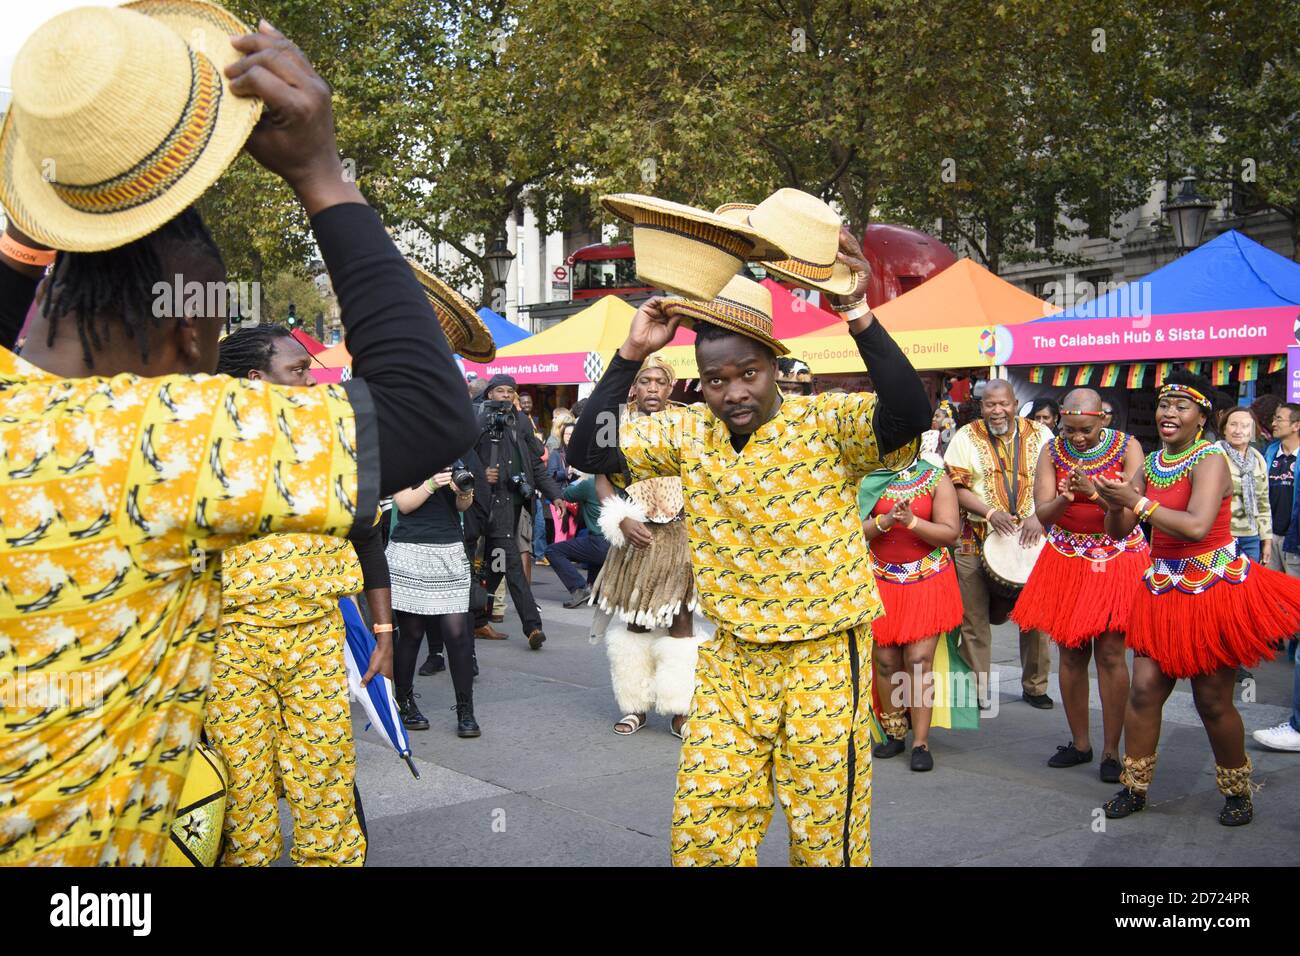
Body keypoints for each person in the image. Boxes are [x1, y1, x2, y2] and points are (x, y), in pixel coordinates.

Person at [0, 11, 475, 865]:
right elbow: (428, 410)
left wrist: (52, 213)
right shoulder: (161, 440)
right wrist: (322, 174)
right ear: (190, 338)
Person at [568, 225, 931, 867]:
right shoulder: (687, 433)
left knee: (826, 838)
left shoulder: (826, 421)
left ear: (773, 368)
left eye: (748, 373)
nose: (734, 392)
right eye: (715, 379)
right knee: (703, 829)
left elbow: (907, 412)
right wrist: (629, 354)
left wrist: (857, 312)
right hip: (732, 655)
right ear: (698, 384)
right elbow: (590, 449)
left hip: (823, 654)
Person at [206, 325, 394, 866]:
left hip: (316, 637)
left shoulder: (334, 450)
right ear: (254, 380)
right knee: (245, 794)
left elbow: (367, 540)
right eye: (298, 371)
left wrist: (384, 633)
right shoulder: (206, 454)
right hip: (234, 647)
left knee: (325, 779)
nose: (312, 382)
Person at [1095, 371, 1300, 825]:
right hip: (1162, 589)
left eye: (1180, 406)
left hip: (1211, 590)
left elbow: (1195, 526)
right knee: (1145, 691)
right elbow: (1120, 532)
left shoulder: (1211, 460)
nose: (1169, 413)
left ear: (1202, 416)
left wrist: (1137, 501)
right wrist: (1113, 503)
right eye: (1164, 404)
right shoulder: (1150, 464)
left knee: (1211, 701)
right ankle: (1135, 787)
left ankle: (1236, 791)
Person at [1011, 389, 1149, 783]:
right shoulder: (1052, 451)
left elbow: (1135, 509)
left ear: (1103, 419)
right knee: (1071, 655)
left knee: (1110, 654)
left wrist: (1098, 494)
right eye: (1069, 429)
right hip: (1067, 558)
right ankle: (1080, 743)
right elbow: (1043, 512)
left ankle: (1111, 751)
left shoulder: (1128, 446)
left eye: (1085, 429)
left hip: (1116, 557)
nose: (1077, 437)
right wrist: (1066, 498)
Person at [590, 355, 701, 738]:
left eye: (660, 382)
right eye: (645, 381)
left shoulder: (691, 419)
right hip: (635, 529)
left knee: (681, 616)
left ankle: (679, 708)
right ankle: (634, 705)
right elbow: (601, 475)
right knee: (636, 616)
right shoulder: (614, 420)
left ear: (670, 387)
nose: (652, 388)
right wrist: (621, 518)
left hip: (681, 531)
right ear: (634, 385)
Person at [943, 380, 1055, 709]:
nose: (997, 410)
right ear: (982, 406)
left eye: (1003, 403)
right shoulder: (965, 436)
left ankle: (1035, 686)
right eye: (990, 404)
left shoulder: (1041, 435)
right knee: (973, 621)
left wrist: (1041, 517)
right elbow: (954, 486)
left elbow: (1057, 480)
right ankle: (977, 690)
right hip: (973, 538)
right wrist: (990, 512)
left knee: (1035, 619)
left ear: (1015, 402)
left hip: (1030, 539)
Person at [859, 459, 962, 771]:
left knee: (918, 662)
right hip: (880, 580)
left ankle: (920, 742)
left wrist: (912, 522)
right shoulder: (868, 478)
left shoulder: (935, 477)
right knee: (887, 662)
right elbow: (848, 532)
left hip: (927, 580)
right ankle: (893, 733)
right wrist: (885, 521)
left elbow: (950, 533)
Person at [468, 374, 564, 649]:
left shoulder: (521, 422)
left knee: (495, 564)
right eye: (500, 391)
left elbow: (535, 464)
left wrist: (555, 494)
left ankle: (476, 621)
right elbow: (462, 456)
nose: (507, 395)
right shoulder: (477, 420)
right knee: (511, 562)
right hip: (483, 503)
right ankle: (532, 626)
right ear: (489, 394)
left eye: (511, 391)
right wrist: (479, 474)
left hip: (514, 504)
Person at [388, 462, 483, 738]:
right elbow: (404, 504)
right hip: (410, 550)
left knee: (458, 633)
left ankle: (466, 711)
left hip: (450, 550)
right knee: (412, 632)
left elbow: (463, 506)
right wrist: (432, 483)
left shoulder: (456, 453)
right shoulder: (405, 452)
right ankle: (405, 703)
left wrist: (463, 491)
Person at [545, 471, 609, 608]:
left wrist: (580, 480)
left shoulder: (590, 484)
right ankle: (595, 592)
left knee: (552, 551)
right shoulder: (620, 486)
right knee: (593, 556)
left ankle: (579, 588)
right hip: (617, 541)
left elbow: (567, 494)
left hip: (599, 541)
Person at [1218, 407, 1272, 563]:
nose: (1238, 430)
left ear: (1253, 431)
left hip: (1251, 537)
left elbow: (1263, 502)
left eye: (1245, 425)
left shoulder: (1258, 460)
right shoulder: (1214, 455)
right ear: (1224, 429)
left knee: (1249, 583)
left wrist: (1266, 540)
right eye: (1233, 424)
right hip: (1221, 534)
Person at [920, 399, 957, 467]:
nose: (933, 419)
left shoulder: (952, 439)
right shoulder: (932, 436)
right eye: (933, 416)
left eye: (937, 416)